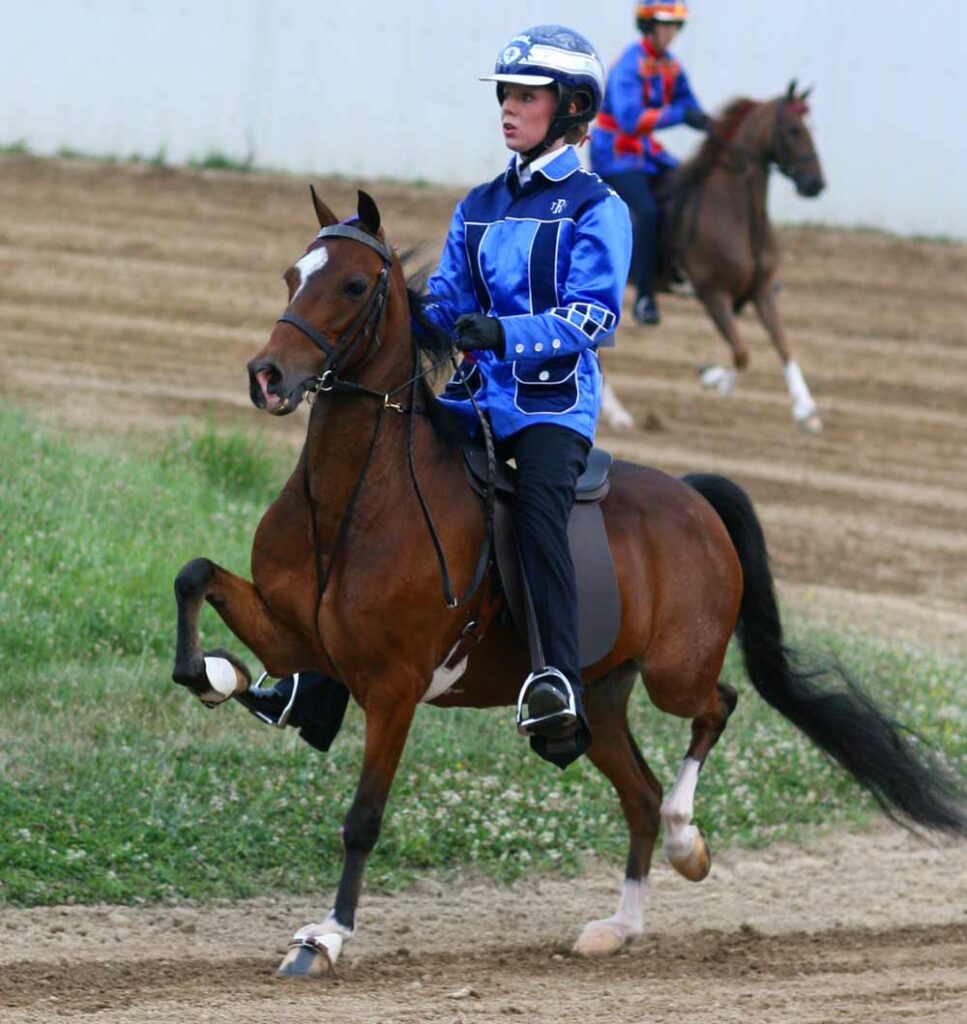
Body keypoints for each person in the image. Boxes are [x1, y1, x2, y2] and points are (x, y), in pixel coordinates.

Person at [419, 25, 633, 769]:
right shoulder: (476, 204)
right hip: (470, 400)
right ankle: (318, 674)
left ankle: (557, 682)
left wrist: (503, 333)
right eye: (504, 94)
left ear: (572, 108)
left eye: (525, 96)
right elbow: (446, 300)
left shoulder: (597, 206)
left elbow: (590, 317)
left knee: (540, 515)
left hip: (549, 410)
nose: (507, 108)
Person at [590, 3, 708, 326]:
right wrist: (682, 116)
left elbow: (690, 104)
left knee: (688, 189)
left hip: (647, 153)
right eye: (664, 24)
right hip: (615, 154)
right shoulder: (629, 65)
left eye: (675, 25)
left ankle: (678, 268)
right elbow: (629, 120)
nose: (671, 32)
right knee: (648, 211)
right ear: (648, 26)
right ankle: (644, 298)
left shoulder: (671, 65)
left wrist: (712, 126)